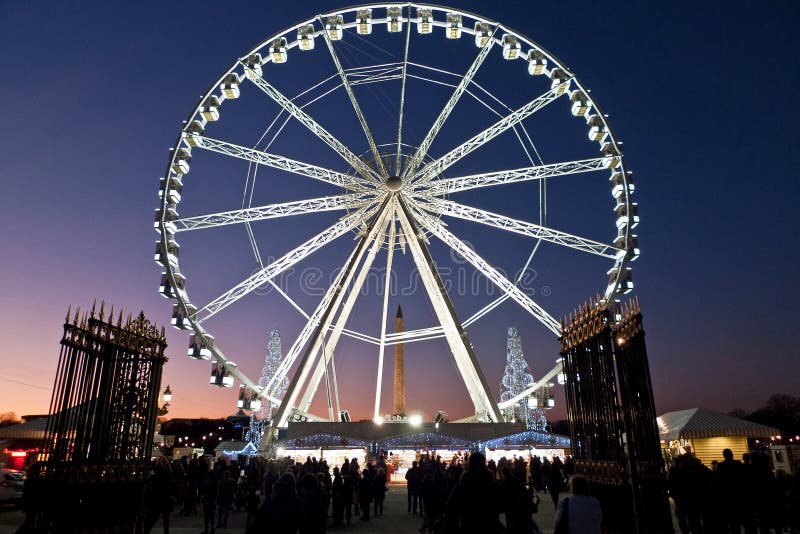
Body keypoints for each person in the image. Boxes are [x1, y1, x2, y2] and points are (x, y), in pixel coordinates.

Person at [445, 452, 500, 533]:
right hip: (489, 526)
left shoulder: (462, 486)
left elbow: (451, 510)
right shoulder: (492, 486)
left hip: (468, 526)